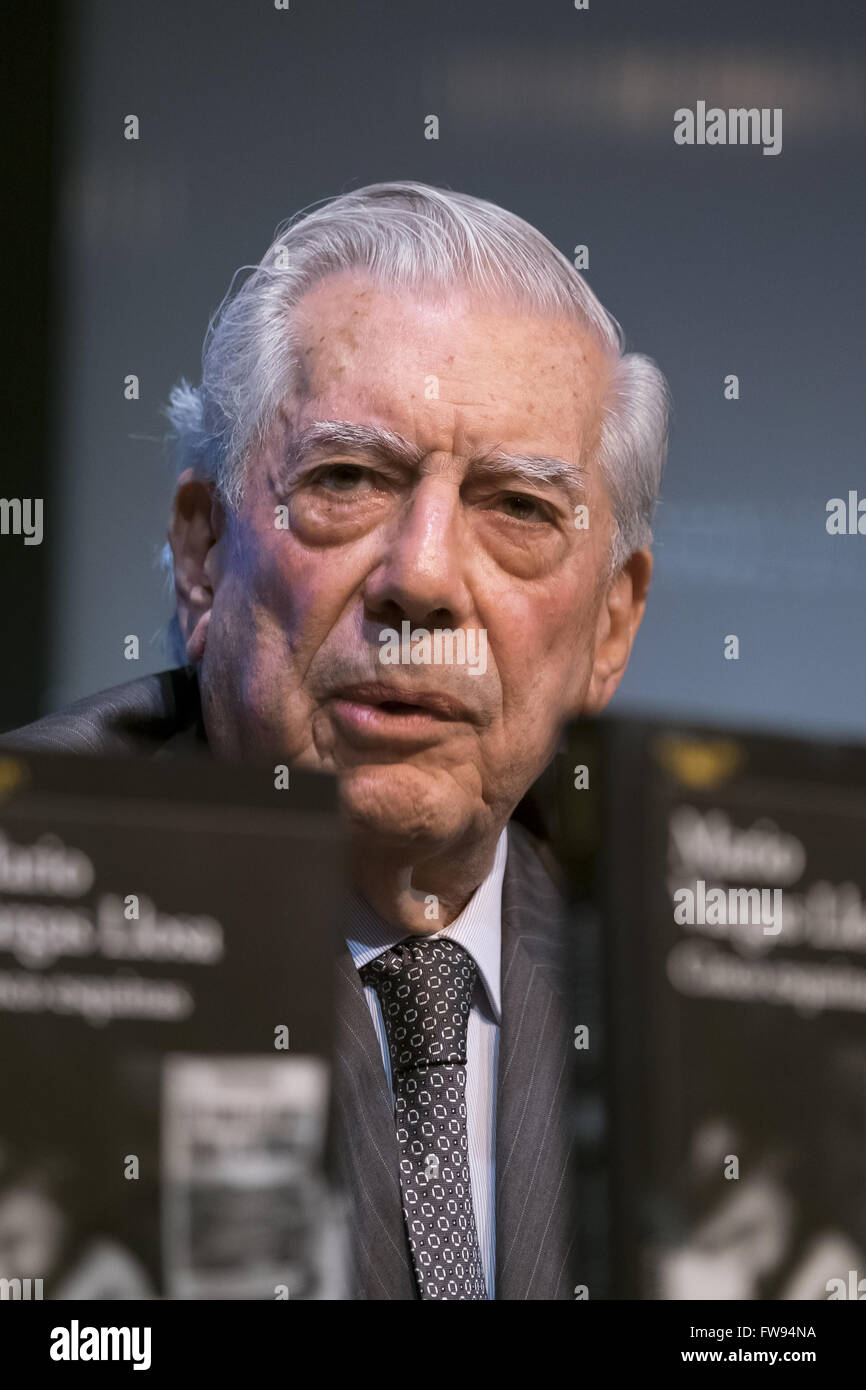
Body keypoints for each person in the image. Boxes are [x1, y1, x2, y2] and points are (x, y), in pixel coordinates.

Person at [2, 181, 669, 1299]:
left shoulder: (713, 967)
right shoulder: (30, 908)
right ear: (203, 555)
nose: (421, 577)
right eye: (348, 480)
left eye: (514, 506)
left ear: (608, 626)